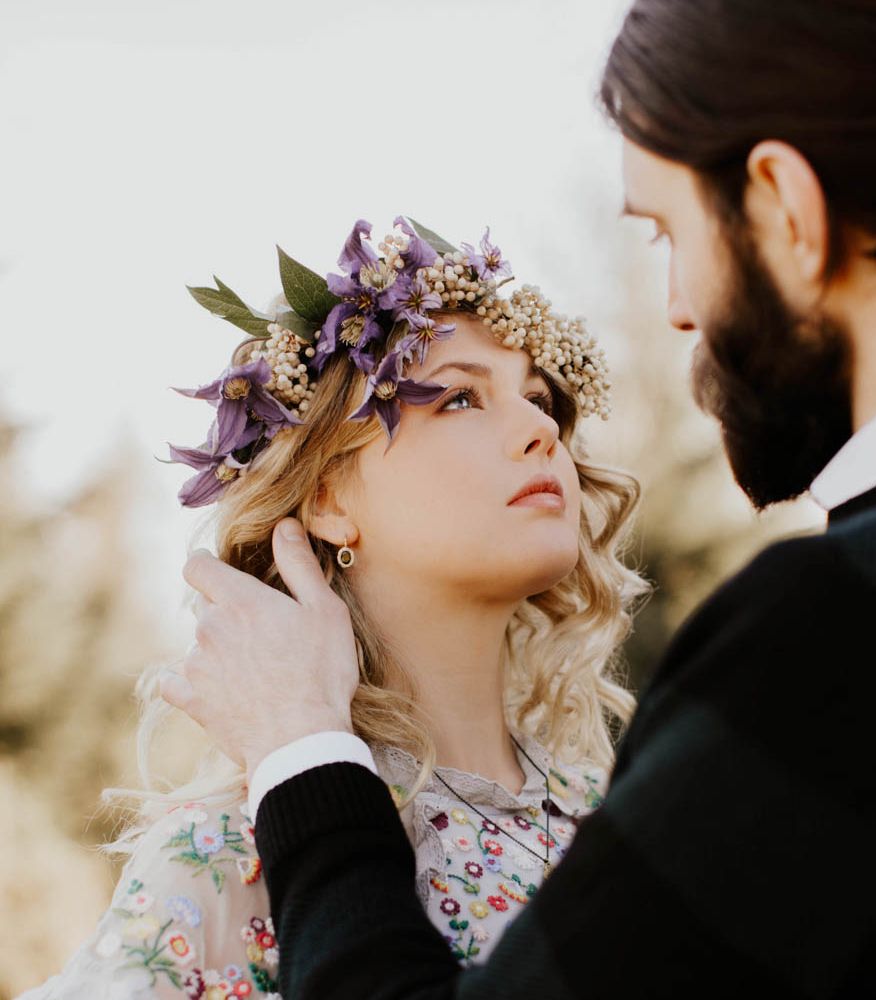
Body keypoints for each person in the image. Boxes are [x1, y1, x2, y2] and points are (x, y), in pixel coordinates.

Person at [161, 0, 876, 997]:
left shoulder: (844, 633)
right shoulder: (213, 859)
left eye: (667, 230)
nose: (680, 306)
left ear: (783, 208)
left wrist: (302, 757)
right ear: (328, 493)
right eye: (460, 396)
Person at [16, 218, 653, 998]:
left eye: (540, 397)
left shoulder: (628, 820)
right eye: (458, 398)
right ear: (325, 498)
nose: (539, 428)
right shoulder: (240, 850)